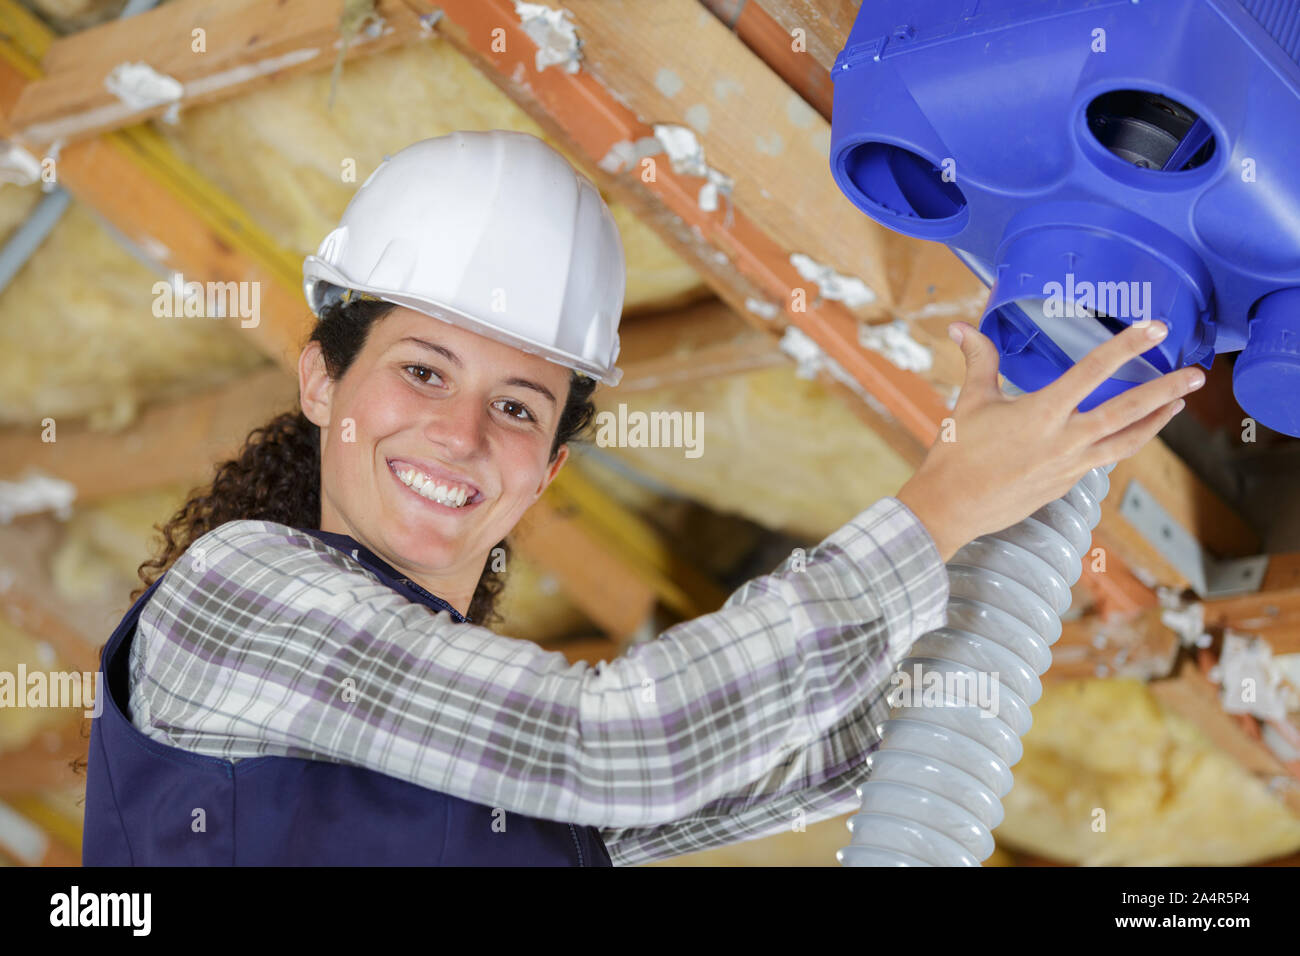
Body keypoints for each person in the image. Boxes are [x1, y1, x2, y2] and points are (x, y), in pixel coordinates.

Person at [80, 130, 1204, 867]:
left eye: (518, 405)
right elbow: (632, 743)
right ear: (323, 379)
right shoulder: (236, 594)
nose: (462, 433)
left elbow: (831, 743)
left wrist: (1027, 485)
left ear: (549, 470)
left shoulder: (506, 773)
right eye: (421, 370)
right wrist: (945, 505)